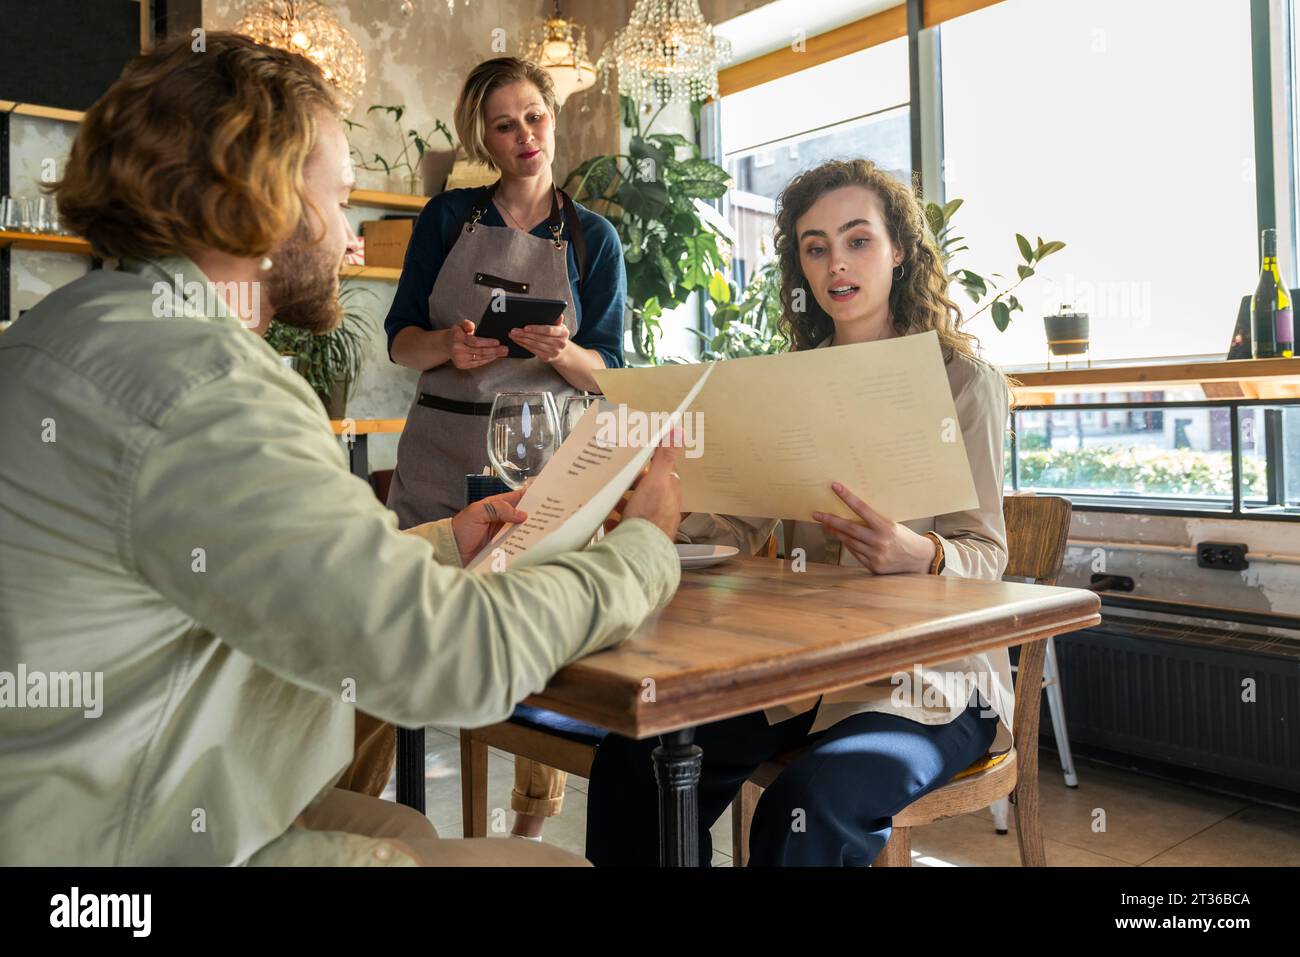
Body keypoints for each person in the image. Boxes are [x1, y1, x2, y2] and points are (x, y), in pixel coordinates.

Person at [0, 32, 683, 867]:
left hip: (72, 793)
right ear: (260, 196)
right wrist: (645, 545)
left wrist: (438, 543)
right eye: (341, 198)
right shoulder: (210, 385)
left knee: (407, 829)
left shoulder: (65, 330)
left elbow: (260, 568)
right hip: (117, 857)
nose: (351, 238)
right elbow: (451, 659)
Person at [585, 158, 1013, 867]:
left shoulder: (965, 383)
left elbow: (986, 553)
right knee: (631, 766)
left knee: (804, 807)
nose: (836, 264)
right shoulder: (791, 378)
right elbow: (741, 520)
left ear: (899, 249)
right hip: (801, 670)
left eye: (857, 240)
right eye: (815, 247)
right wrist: (657, 511)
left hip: (929, 678)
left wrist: (921, 552)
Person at [384, 56, 626, 841]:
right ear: (481, 138)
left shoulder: (593, 239)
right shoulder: (446, 219)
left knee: (535, 637)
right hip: (439, 449)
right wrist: (447, 347)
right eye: (503, 124)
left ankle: (523, 834)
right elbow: (399, 345)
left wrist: (562, 350)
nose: (524, 135)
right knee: (407, 625)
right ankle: (391, 804)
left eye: (534, 116)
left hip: (535, 451)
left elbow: (610, 372)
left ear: (553, 117)